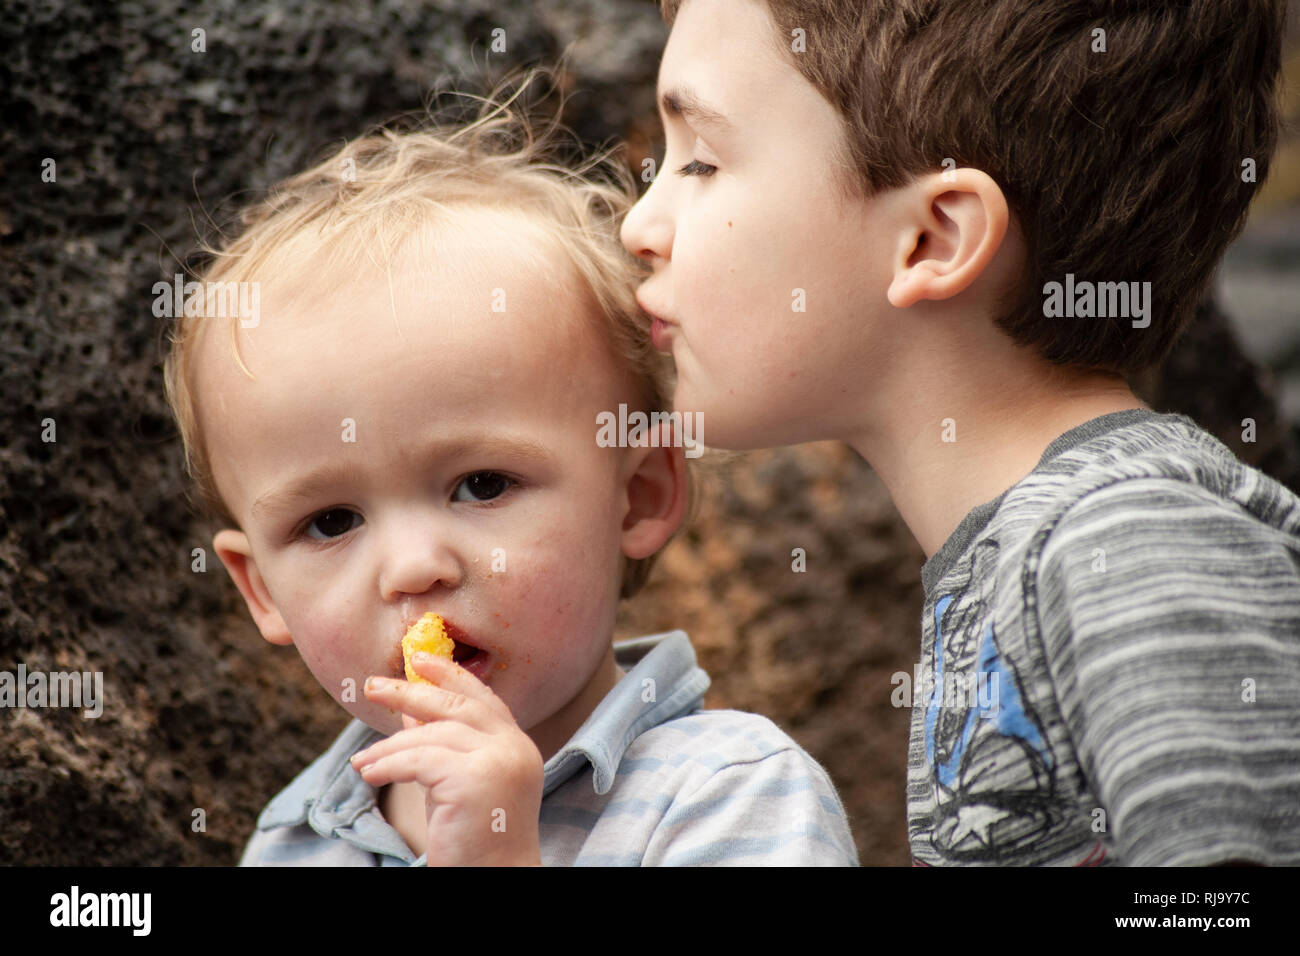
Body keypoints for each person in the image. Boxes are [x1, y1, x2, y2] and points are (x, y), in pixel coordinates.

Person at [620, 0, 1300, 865]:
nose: (639, 227)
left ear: (933, 237)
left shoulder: (1132, 544)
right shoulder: (1038, 549)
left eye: (703, 162)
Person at [161, 86, 857, 866]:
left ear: (640, 495)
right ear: (260, 588)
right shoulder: (294, 839)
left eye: (483, 485)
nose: (415, 567)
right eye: (331, 522)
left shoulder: (725, 794)